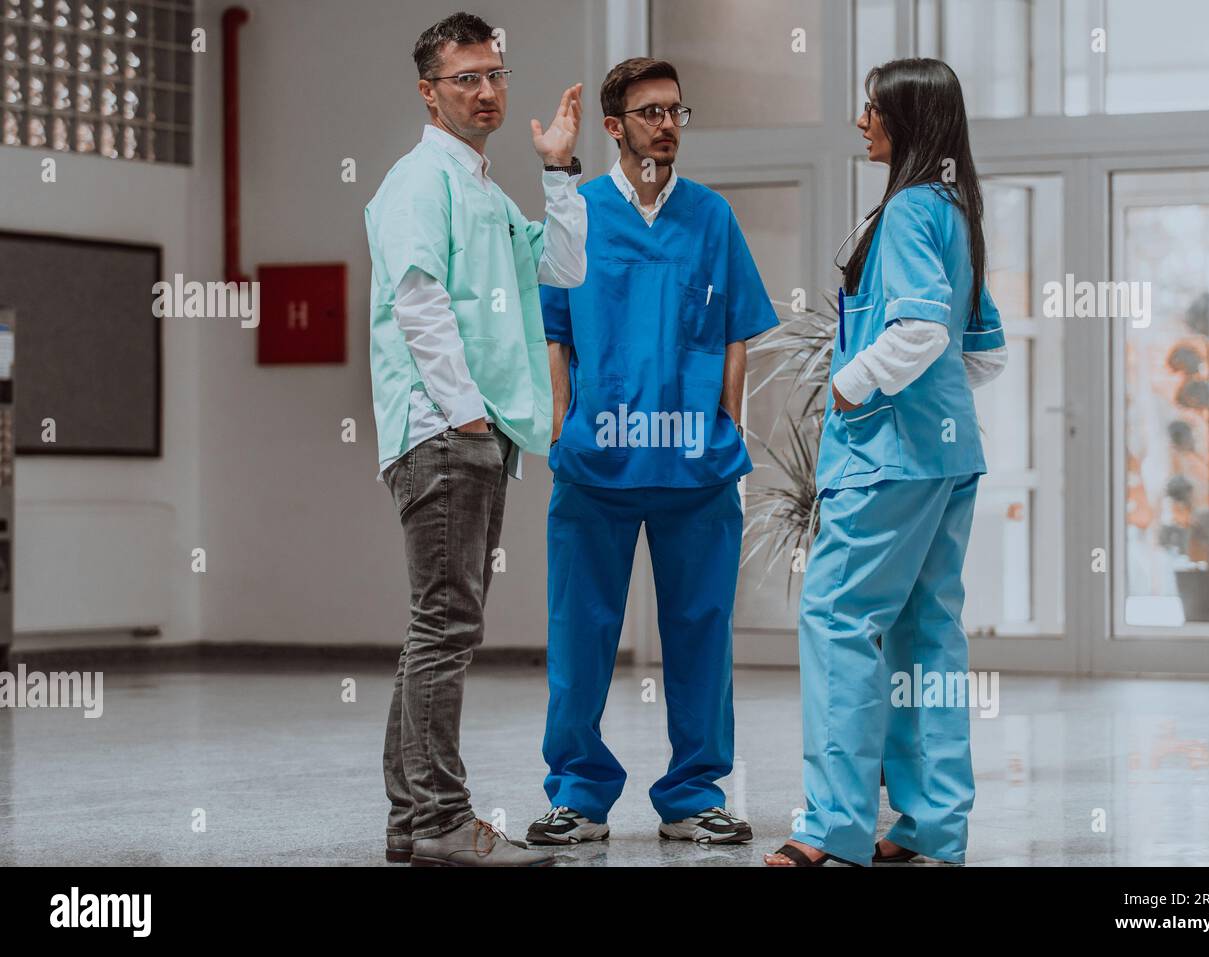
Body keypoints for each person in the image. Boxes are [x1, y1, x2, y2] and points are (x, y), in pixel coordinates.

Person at [525, 58, 779, 847]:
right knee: (579, 631)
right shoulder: (580, 213)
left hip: (696, 468)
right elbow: (555, 335)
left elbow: (737, 330)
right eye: (649, 112)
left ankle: (694, 792)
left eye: (675, 110)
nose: (666, 124)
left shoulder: (712, 217)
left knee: (701, 631)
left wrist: (727, 424)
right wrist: (566, 423)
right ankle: (579, 793)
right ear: (614, 127)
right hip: (596, 464)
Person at [764, 57, 1007, 868]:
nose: (861, 122)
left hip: (886, 462)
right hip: (946, 457)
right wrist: (929, 405)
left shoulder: (905, 211)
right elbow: (985, 353)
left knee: (836, 621)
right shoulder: (957, 211)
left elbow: (921, 332)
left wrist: (849, 386)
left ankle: (830, 826)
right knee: (926, 633)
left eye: (871, 110)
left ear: (905, 120)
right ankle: (929, 828)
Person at [364, 11, 587, 867]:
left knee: (436, 627)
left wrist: (559, 168)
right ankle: (444, 821)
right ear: (429, 92)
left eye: (494, 74)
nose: (487, 90)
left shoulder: (486, 192)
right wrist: (465, 415)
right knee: (446, 629)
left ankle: (412, 823)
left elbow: (563, 265)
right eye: (467, 78)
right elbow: (418, 300)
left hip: (471, 434)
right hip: (446, 435)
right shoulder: (420, 183)